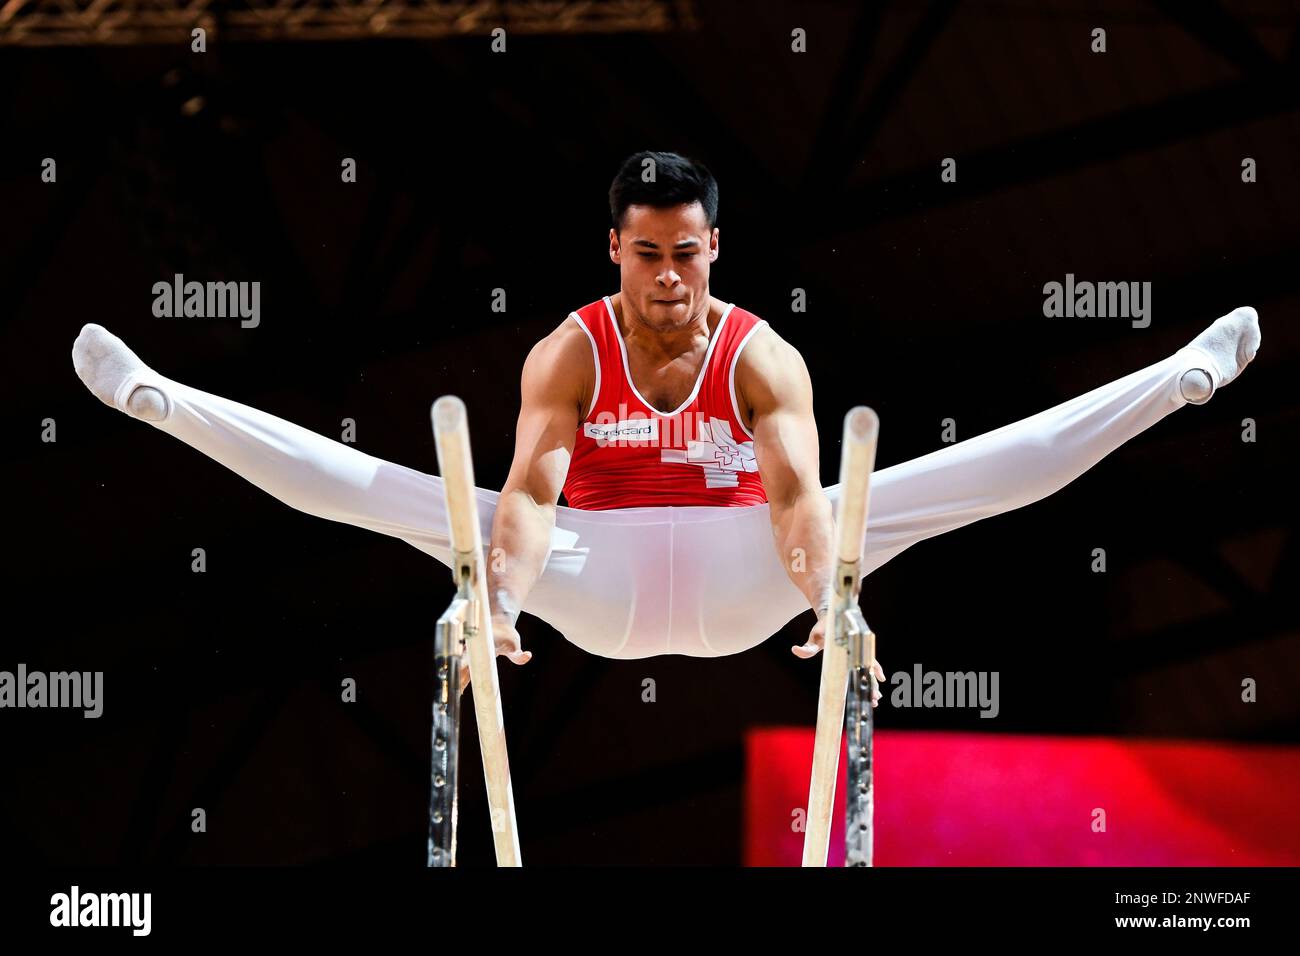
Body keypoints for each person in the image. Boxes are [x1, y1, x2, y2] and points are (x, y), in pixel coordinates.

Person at [71, 151, 1261, 698]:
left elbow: (797, 499)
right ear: (613, 251)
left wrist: (835, 597)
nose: (665, 280)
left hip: (756, 574)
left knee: (930, 482)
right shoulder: (569, 351)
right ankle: (160, 399)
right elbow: (533, 495)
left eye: (684, 255)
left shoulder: (761, 356)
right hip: (595, 578)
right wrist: (493, 598)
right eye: (643, 255)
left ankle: (1175, 382)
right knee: (415, 497)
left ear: (714, 251)